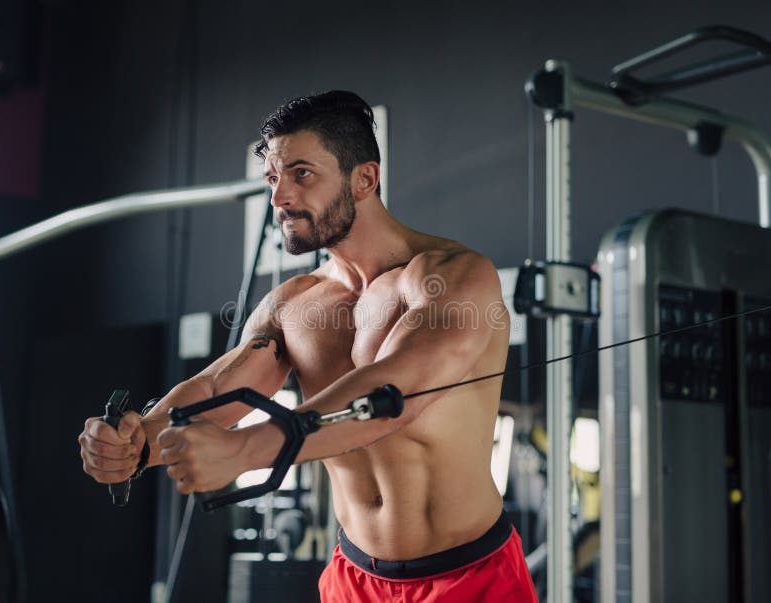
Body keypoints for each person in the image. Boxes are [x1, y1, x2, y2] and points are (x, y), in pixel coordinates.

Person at [78, 91, 537, 602]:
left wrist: (245, 451)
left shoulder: (454, 277)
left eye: (301, 173)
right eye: (273, 178)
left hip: (469, 576)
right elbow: (216, 389)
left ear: (365, 179)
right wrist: (139, 440)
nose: (279, 197)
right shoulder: (293, 303)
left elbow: (393, 394)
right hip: (354, 579)